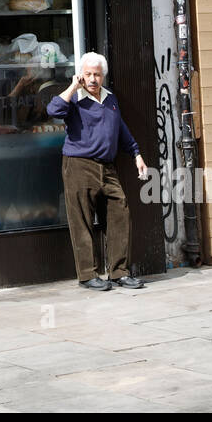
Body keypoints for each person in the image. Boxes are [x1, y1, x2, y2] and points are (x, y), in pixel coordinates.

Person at [47, 52, 149, 291]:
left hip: (108, 166)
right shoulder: (74, 98)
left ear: (103, 76)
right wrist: (73, 86)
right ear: (81, 75)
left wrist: (136, 154)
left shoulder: (110, 98)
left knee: (120, 213)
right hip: (79, 165)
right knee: (81, 221)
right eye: (88, 74)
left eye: (97, 74)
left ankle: (119, 272)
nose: (93, 79)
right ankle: (87, 275)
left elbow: (120, 129)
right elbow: (53, 110)